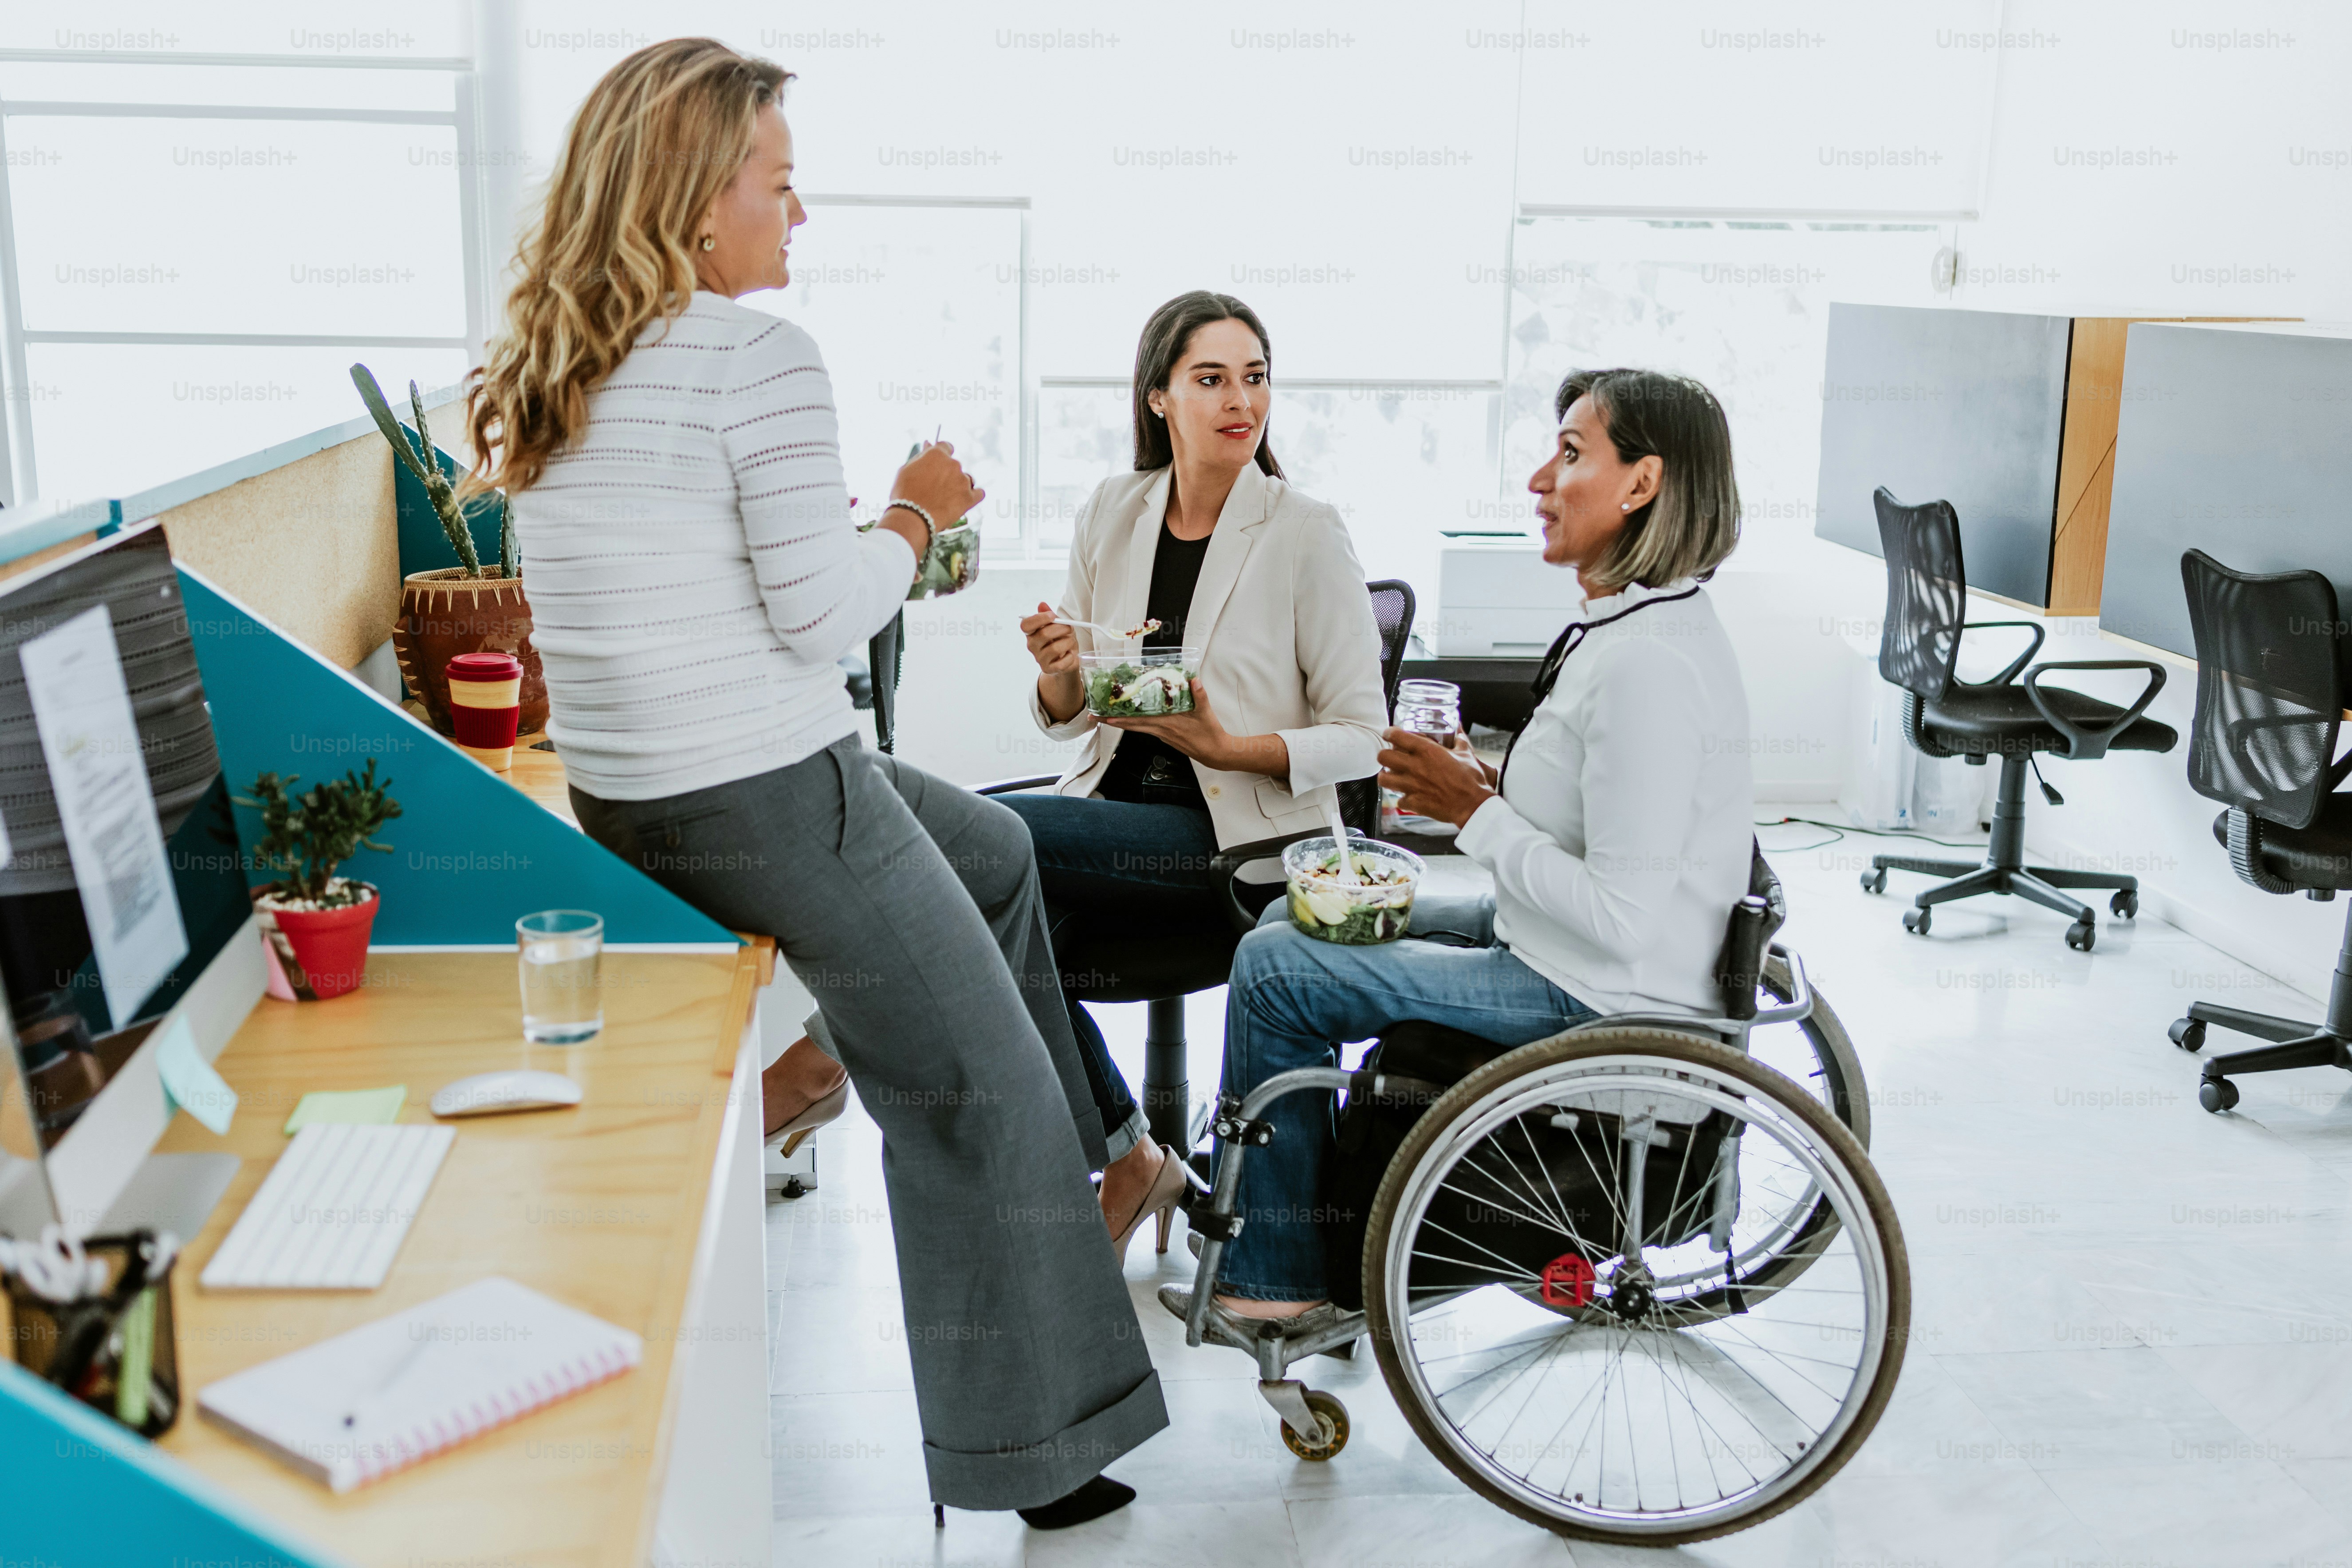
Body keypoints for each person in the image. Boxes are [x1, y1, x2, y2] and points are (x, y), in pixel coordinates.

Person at [461, 39, 1164, 1529]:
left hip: (639, 799)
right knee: (974, 1085)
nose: (801, 213)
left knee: (994, 851)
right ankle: (1038, 1457)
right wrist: (918, 509)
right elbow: (823, 615)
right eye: (780, 183)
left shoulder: (566, 360)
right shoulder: (759, 355)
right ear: (698, 198)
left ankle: (1100, 1152)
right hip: (775, 788)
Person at [1164, 367, 1754, 1332]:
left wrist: (1472, 814)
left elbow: (1620, 912)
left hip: (1602, 997)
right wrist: (1480, 794)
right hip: (1578, 956)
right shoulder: (1640, 627)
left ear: (1640, 485)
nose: (1538, 478)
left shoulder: (1646, 664)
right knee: (1293, 913)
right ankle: (1288, 1184)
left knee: (1274, 968)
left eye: (1569, 453)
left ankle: (1274, 1278)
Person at [1007, 291, 1388, 1254]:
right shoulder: (1114, 510)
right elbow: (1077, 713)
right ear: (1158, 400)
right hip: (1107, 815)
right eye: (1210, 378)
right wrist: (1059, 678)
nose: (1239, 400)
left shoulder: (1303, 529)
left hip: (1234, 840)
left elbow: (1360, 736)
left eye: (1254, 377)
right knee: (981, 906)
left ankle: (818, 1069)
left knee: (963, 834)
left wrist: (1227, 749)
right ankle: (1132, 1154)